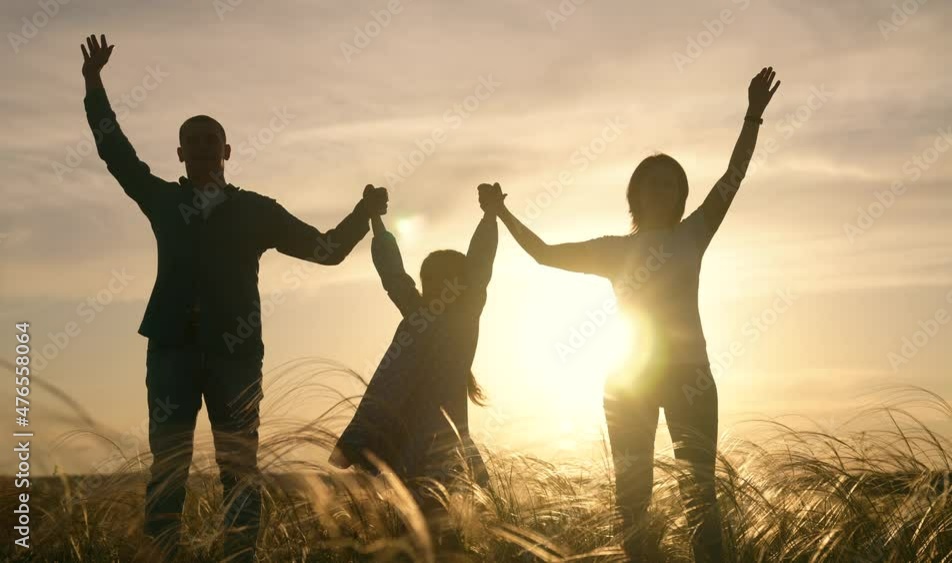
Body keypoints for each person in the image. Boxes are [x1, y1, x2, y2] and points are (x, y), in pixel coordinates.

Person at [79, 34, 389, 562]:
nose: (201, 148)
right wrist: (93, 83)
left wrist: (364, 214)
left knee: (240, 469)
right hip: (172, 350)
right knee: (169, 468)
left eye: (211, 140)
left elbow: (327, 250)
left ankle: (240, 557)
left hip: (235, 356)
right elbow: (116, 153)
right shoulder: (162, 200)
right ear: (179, 153)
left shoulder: (256, 211)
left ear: (226, 151)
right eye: (191, 141)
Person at [485, 68, 781, 562]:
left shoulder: (694, 233)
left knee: (699, 498)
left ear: (682, 196)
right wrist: (500, 212)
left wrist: (752, 115)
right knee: (633, 503)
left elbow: (733, 177)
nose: (662, 192)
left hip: (691, 377)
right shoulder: (613, 250)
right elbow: (542, 253)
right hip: (629, 380)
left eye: (671, 185)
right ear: (636, 196)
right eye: (652, 184)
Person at [330, 183, 500, 504]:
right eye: (430, 280)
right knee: (414, 517)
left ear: (461, 285)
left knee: (440, 514)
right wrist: (375, 221)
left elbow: (480, 265)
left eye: (445, 279)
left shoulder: (464, 317)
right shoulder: (417, 312)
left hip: (441, 439)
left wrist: (490, 217)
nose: (436, 286)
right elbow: (393, 273)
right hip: (406, 438)